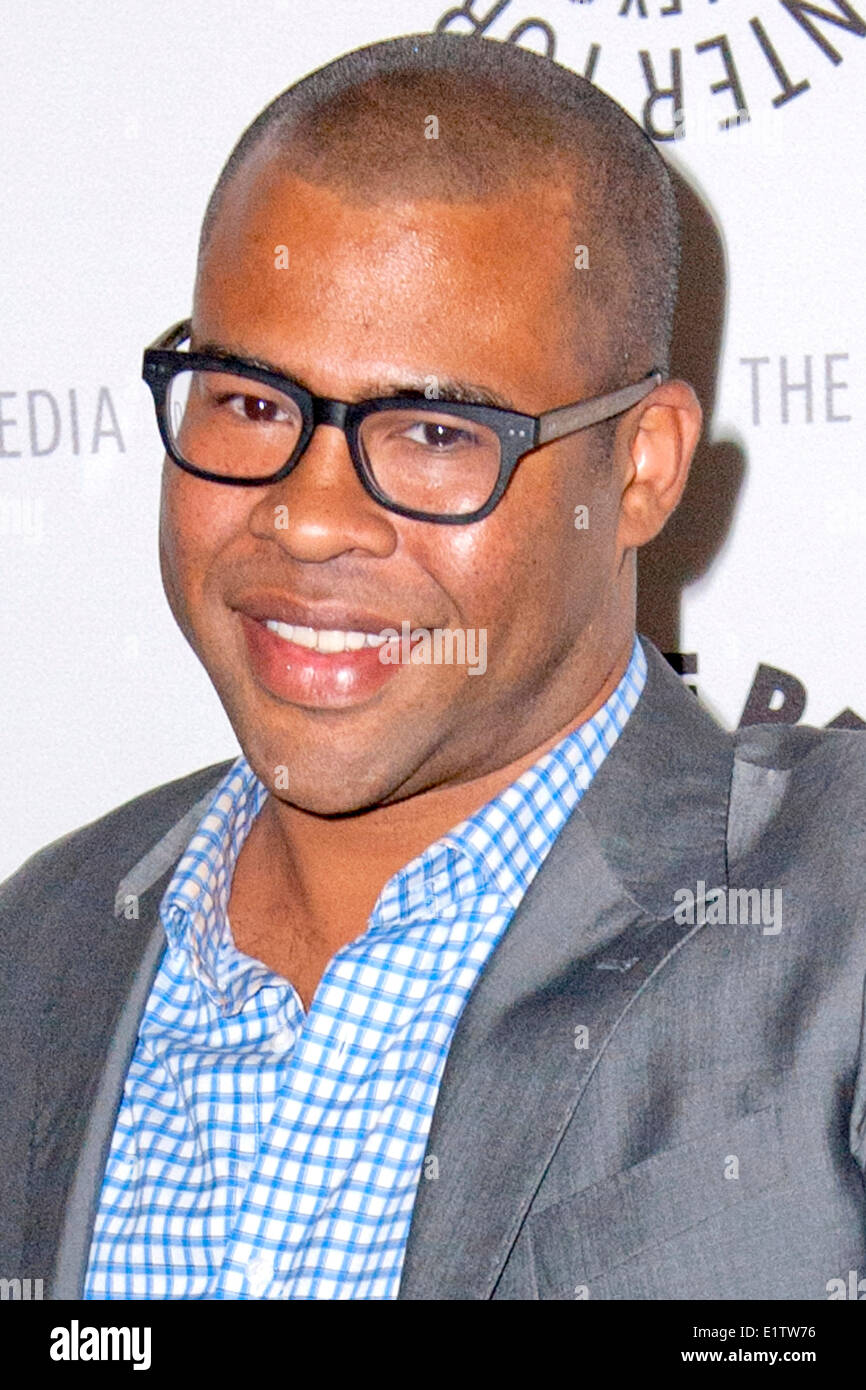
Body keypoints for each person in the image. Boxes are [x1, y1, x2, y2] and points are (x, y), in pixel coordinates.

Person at [1, 31, 864, 1303]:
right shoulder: (43, 947)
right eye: (246, 401)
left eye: (431, 432)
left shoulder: (834, 908)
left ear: (638, 468)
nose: (305, 515)